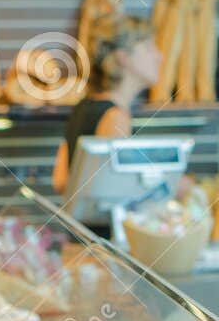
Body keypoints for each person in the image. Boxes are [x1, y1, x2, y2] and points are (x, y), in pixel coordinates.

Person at [52, 20, 161, 197]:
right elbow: (112, 191)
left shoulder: (83, 106)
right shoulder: (115, 116)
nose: (159, 56)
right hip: (102, 225)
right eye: (149, 48)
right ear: (122, 57)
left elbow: (60, 181)